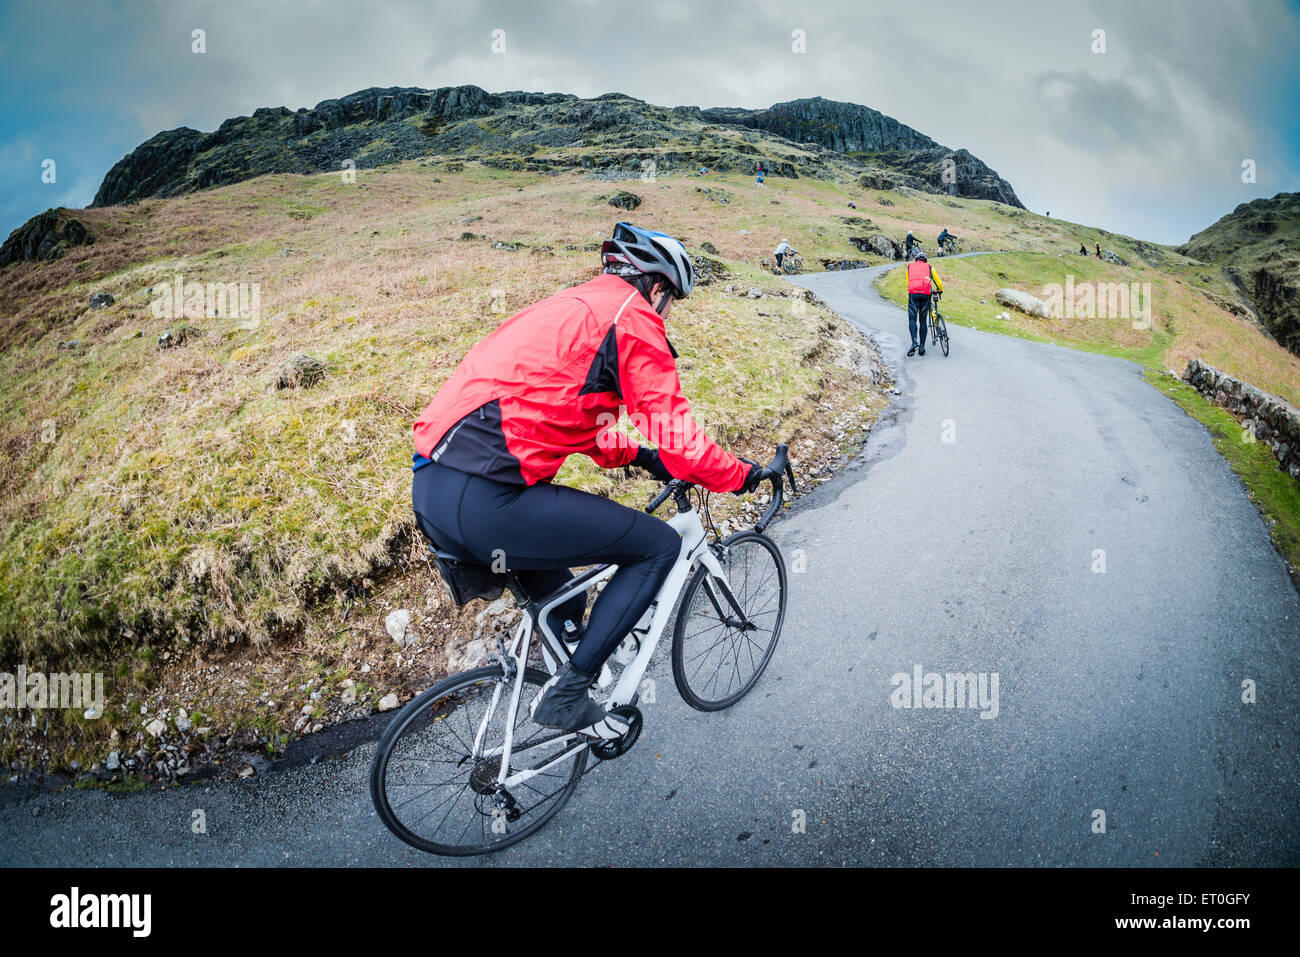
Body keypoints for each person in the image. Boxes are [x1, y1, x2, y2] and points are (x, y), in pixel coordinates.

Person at [410, 222, 766, 738]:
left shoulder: (570, 308)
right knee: (658, 547)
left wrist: (637, 455)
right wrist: (739, 476)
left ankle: (578, 712)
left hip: (435, 490)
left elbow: (568, 414)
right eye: (670, 302)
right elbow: (682, 441)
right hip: (488, 496)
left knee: (566, 598)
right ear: (657, 287)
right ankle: (570, 693)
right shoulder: (633, 317)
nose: (666, 313)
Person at [906, 252, 942, 357]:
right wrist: (940, 290)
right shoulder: (929, 267)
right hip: (925, 294)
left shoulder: (910, 266)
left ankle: (914, 342)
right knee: (923, 320)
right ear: (925, 260)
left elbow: (908, 281)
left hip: (913, 293)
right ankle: (922, 347)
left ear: (916, 259)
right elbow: (938, 282)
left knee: (912, 318)